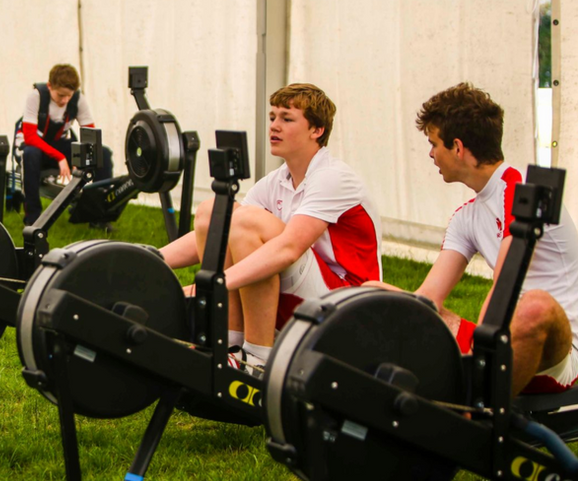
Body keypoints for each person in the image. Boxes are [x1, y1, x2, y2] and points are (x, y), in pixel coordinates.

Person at [366, 83, 578, 396]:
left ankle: (475, 413)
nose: (430, 153)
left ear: (458, 147)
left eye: (433, 143)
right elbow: (427, 300)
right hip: (503, 340)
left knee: (534, 307)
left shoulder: (524, 189)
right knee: (373, 293)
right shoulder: (466, 217)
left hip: (559, 354)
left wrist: (480, 350)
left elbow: (507, 281)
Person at [159, 83, 382, 372]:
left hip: (347, 304)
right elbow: (220, 231)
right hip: (305, 292)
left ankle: (259, 356)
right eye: (273, 117)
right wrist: (151, 259)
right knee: (212, 212)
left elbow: (289, 249)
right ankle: (230, 343)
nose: (274, 126)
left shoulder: (332, 177)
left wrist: (211, 286)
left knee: (247, 222)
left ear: (317, 131)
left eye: (287, 119)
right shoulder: (278, 179)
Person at [18, 64, 113, 226]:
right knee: (31, 154)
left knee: (102, 153)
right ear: (50, 86)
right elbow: (30, 137)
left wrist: (81, 157)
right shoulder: (36, 96)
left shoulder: (77, 99)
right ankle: (33, 220)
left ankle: (99, 216)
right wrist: (61, 158)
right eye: (61, 95)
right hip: (36, 147)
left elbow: (89, 133)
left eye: (69, 96)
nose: (65, 100)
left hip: (60, 144)